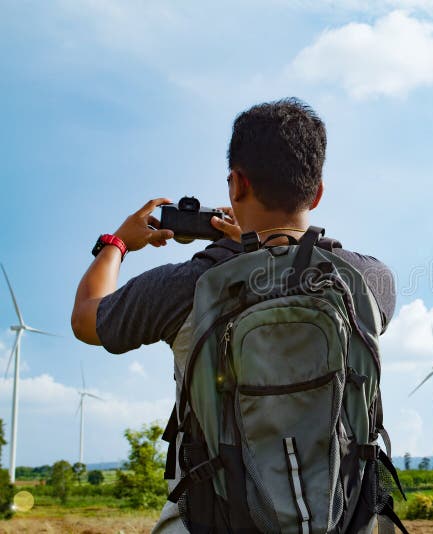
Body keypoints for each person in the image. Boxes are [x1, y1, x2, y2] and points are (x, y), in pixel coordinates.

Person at [71, 98, 395, 532]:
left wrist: (118, 242)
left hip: (217, 517)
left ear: (236, 185)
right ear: (317, 192)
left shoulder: (191, 283)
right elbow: (287, 268)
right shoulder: (370, 281)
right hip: (341, 518)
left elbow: (86, 319)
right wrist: (255, 247)